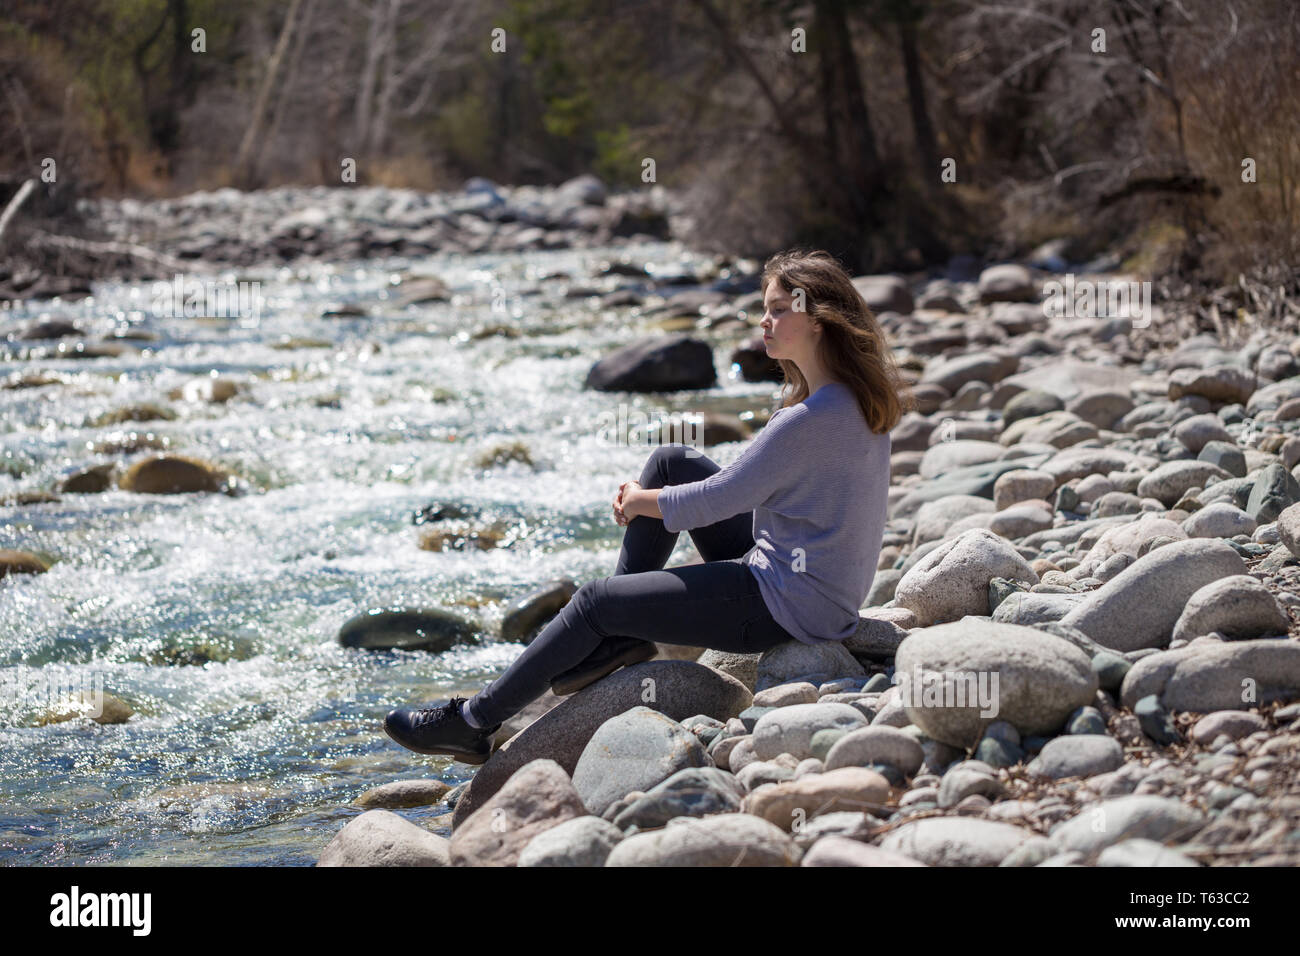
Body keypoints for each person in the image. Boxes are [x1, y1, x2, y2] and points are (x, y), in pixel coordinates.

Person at [383, 248, 915, 764]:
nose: (764, 322)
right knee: (671, 460)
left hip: (788, 604)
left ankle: (474, 723)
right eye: (765, 309)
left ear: (818, 321)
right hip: (811, 583)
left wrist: (641, 501)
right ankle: (615, 642)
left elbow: (722, 497)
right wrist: (656, 496)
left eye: (779, 310)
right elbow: (749, 489)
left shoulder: (808, 419)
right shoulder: (850, 397)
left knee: (595, 601)